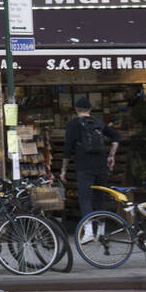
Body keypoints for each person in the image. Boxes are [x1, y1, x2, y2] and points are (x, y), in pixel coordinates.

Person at [60, 97, 120, 229]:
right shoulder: (99, 122)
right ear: (90, 110)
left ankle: (88, 231)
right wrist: (111, 156)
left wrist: (63, 170)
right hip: (101, 165)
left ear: (76, 109)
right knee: (99, 197)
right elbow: (115, 136)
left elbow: (67, 149)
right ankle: (101, 230)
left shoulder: (73, 124)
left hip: (84, 166)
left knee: (85, 198)